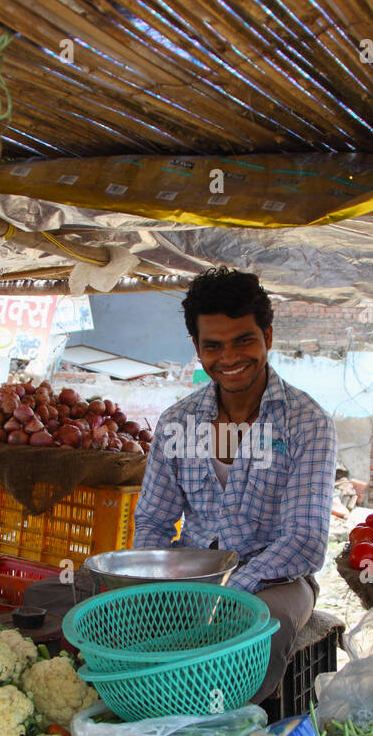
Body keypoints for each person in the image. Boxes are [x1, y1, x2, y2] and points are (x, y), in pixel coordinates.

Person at [133, 266, 337, 703]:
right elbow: (152, 521)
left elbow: (305, 541)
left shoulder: (307, 422)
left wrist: (233, 590)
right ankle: (159, 717)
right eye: (214, 346)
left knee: (260, 626)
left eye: (244, 340)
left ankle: (232, 728)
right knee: (131, 623)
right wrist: (156, 587)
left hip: (277, 581)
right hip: (192, 573)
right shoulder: (177, 422)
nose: (229, 358)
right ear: (197, 348)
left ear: (267, 336)